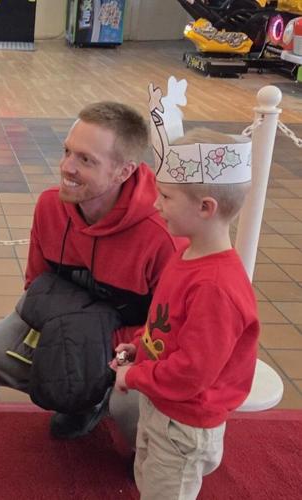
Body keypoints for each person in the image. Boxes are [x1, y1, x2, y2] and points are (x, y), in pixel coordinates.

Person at [0, 102, 180, 444]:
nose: (66, 167)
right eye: (67, 151)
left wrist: (96, 351)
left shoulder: (163, 235)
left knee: (129, 404)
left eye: (85, 160)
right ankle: (84, 401)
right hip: (70, 323)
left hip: (129, 345)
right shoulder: (50, 206)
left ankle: (134, 443)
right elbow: (36, 287)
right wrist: (67, 348)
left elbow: (168, 331)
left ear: (123, 172)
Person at [111, 127, 259, 499]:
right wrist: (139, 347)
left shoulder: (216, 288)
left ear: (205, 207)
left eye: (165, 196)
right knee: (148, 478)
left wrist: (135, 375)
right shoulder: (187, 253)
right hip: (163, 404)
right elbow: (167, 323)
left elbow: (193, 371)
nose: (155, 205)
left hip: (184, 421)